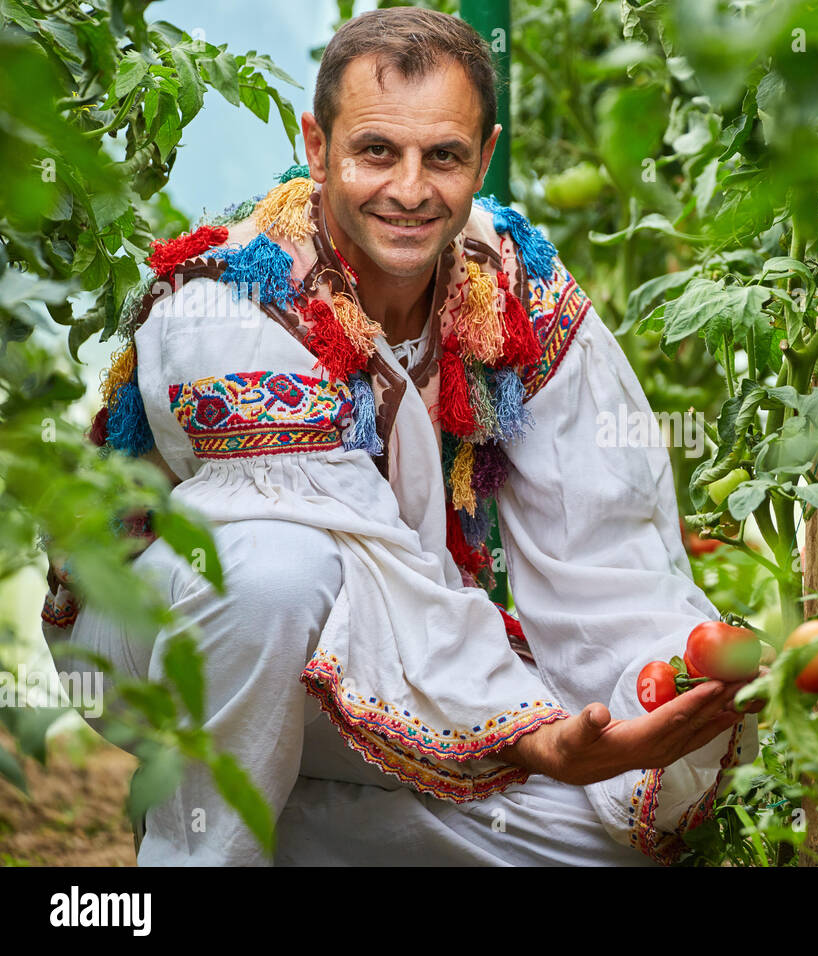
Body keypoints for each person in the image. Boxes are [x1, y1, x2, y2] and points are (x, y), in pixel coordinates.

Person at [39, 7, 758, 866]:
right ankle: (203, 850)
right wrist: (528, 738)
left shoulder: (512, 283)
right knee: (275, 569)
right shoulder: (230, 297)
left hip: (384, 653)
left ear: (483, 157)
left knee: (604, 833)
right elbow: (356, 552)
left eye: (444, 156)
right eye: (377, 151)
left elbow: (601, 526)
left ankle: (301, 829)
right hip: (158, 641)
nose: (411, 190)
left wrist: (650, 686)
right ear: (317, 145)